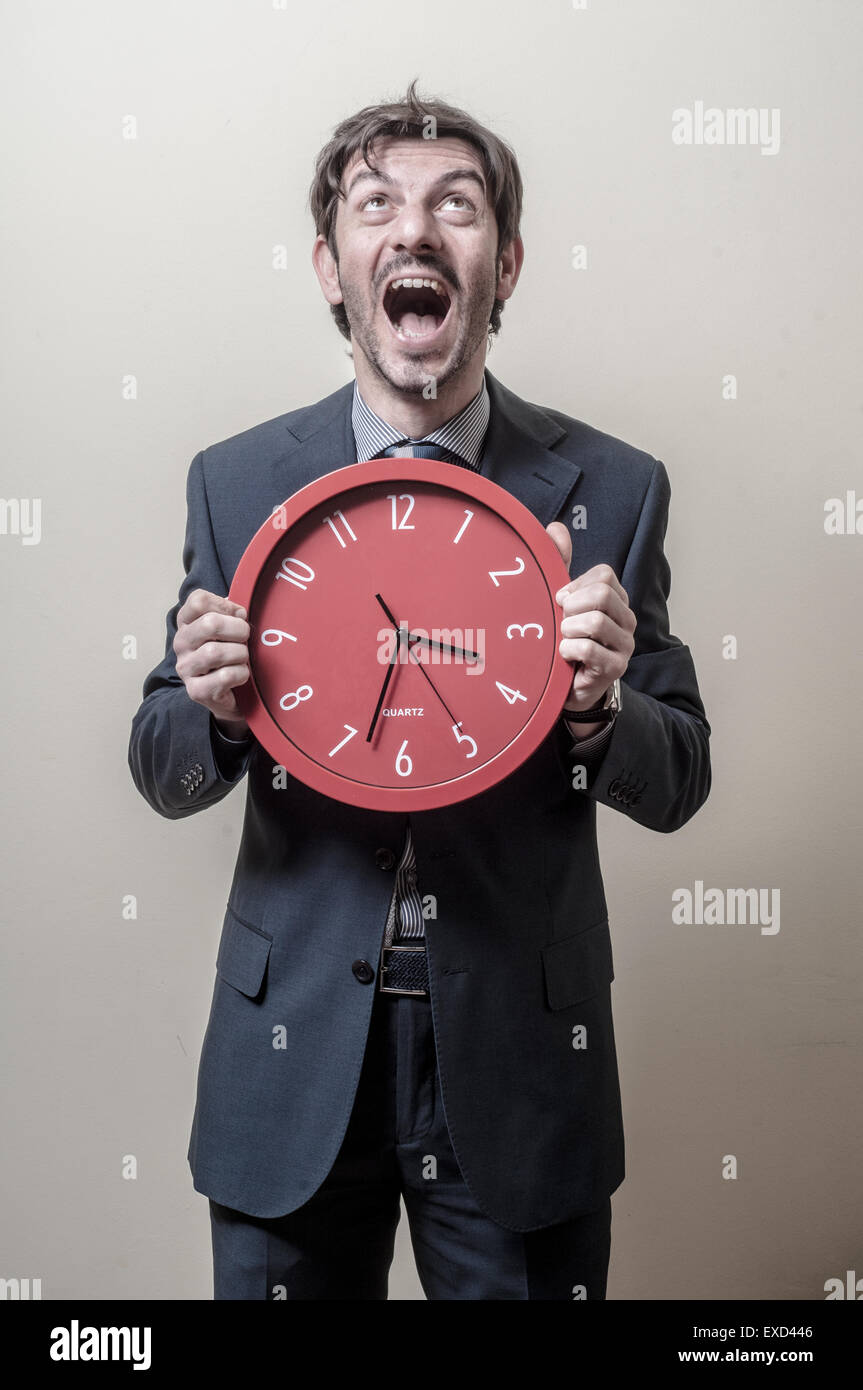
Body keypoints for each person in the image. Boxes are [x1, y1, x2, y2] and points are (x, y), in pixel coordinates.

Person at [128, 81, 711, 1301]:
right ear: (332, 269)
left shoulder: (612, 483)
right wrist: (211, 709)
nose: (414, 229)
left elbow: (679, 779)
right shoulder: (236, 483)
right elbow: (162, 762)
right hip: (289, 1059)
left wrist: (604, 708)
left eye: (457, 205)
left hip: (513, 1059)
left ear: (502, 268)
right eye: (374, 203)